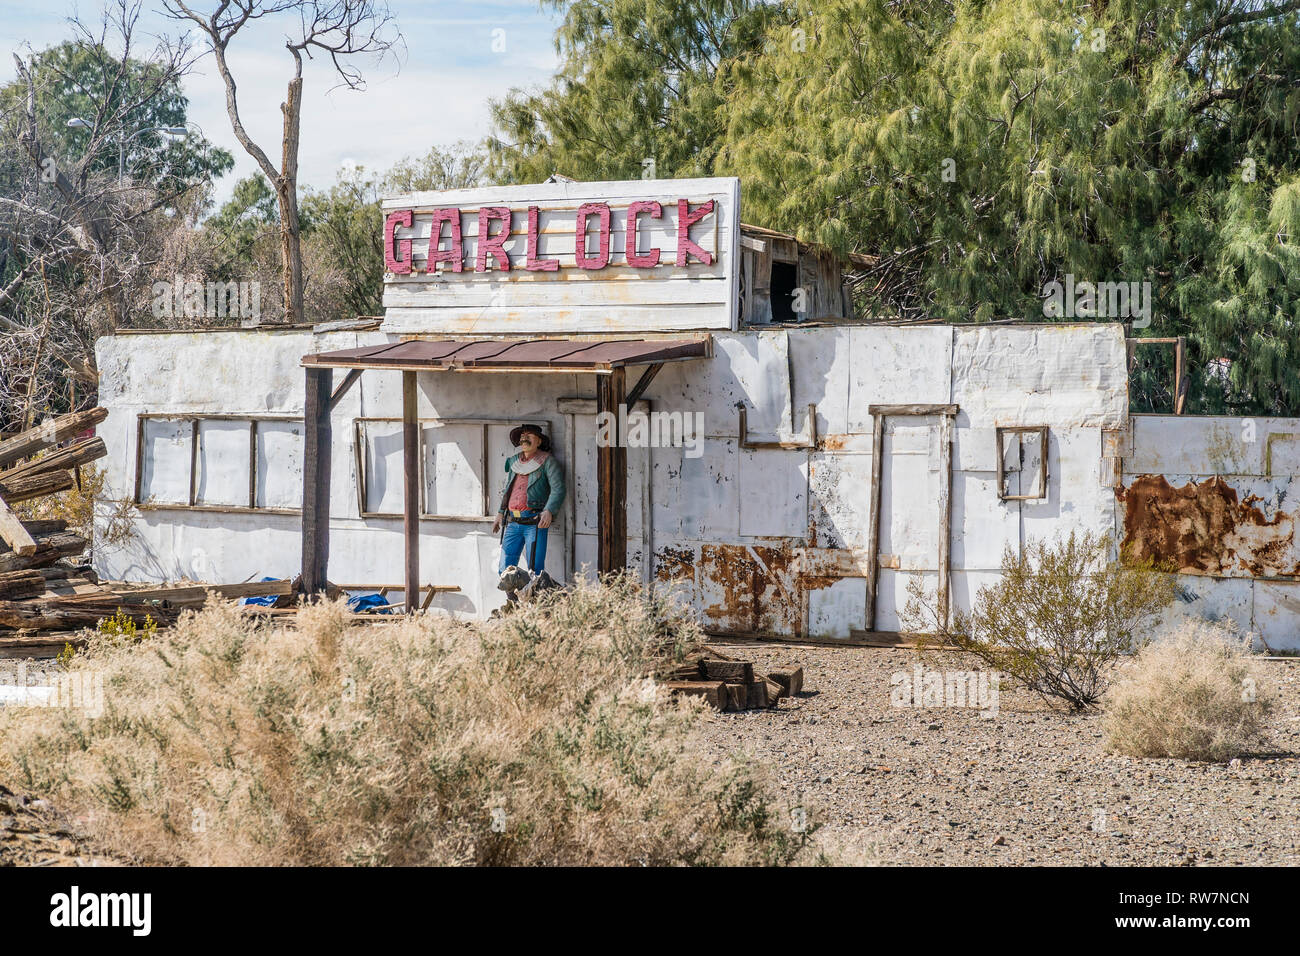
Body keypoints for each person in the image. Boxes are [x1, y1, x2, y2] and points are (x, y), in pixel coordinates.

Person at [492, 423, 566, 576]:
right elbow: (508, 489)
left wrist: (549, 510)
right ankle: (513, 599)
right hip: (512, 522)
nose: (524, 438)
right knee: (505, 568)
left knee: (535, 568)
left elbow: (558, 489)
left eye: (529, 436)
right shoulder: (514, 462)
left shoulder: (547, 462)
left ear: (538, 441)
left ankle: (532, 599)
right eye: (522, 436)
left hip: (535, 522)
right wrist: (500, 512)